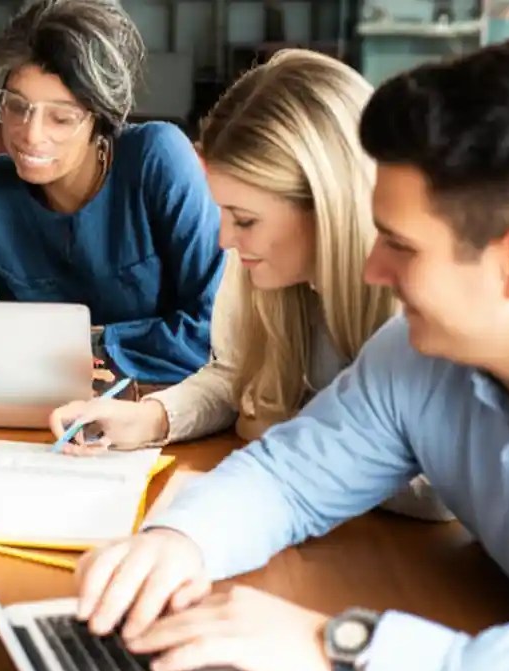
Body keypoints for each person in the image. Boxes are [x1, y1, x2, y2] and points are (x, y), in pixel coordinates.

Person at [73, 36, 509, 671]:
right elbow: (290, 476)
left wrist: (344, 644)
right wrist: (179, 543)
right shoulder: (412, 354)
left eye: (400, 245)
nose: (374, 271)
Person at [46, 50, 450, 520]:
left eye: (246, 219)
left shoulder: (417, 303)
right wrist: (153, 417)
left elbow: (439, 493)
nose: (224, 239)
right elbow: (235, 378)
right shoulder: (263, 267)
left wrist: (283, 429)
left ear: (325, 207)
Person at [0, 0, 223, 384]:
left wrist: (87, 348)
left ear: (100, 119)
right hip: (39, 415)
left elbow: (214, 331)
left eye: (61, 117)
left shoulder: (158, 159)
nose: (30, 134)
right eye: (17, 106)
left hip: (170, 411)